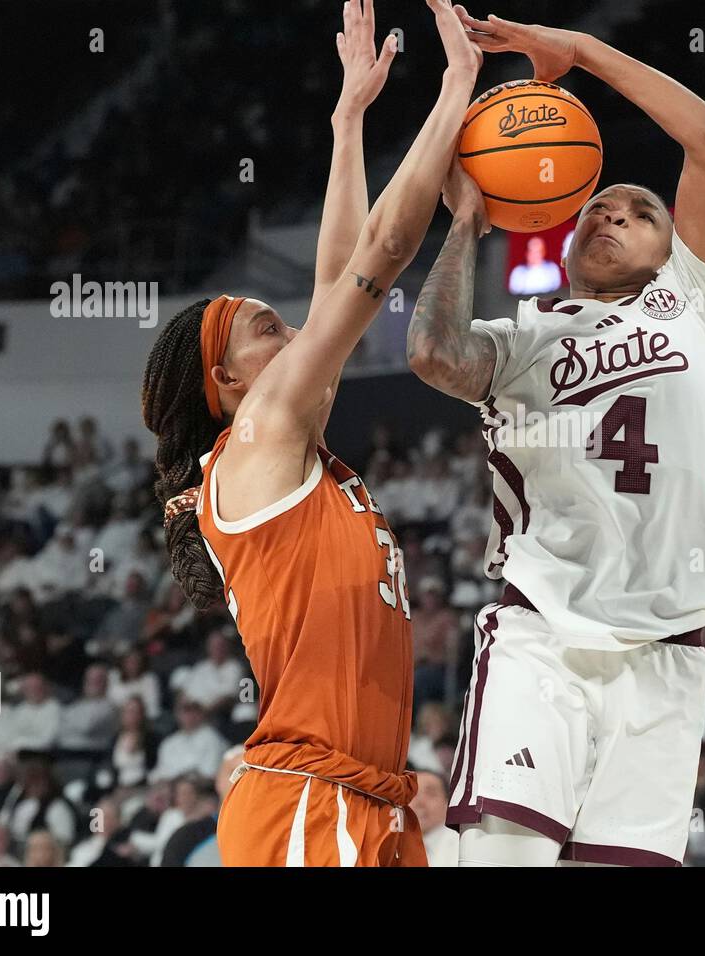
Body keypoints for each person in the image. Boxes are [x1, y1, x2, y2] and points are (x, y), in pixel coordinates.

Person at [139, 0, 482, 866]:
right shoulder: (255, 439)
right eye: (266, 329)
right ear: (226, 383)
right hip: (306, 802)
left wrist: (347, 123)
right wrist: (456, 91)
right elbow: (382, 252)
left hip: (371, 799)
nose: (293, 332)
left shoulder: (293, 453)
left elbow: (338, 274)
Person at [407, 10, 705, 867]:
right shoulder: (521, 339)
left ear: (676, 249)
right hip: (543, 638)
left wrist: (581, 52)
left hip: (666, 656)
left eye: (641, 211)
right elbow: (432, 353)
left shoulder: (693, 303)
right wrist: (465, 225)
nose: (615, 213)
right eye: (598, 207)